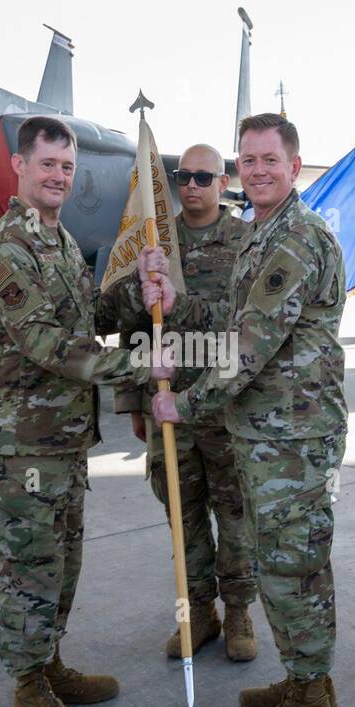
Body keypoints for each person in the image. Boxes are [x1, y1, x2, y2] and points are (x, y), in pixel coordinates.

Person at [0, 115, 171, 707]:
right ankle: (28, 692)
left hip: (63, 441)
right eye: (47, 165)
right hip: (21, 446)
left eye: (66, 167)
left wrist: (138, 288)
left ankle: (48, 665)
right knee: (30, 569)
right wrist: (138, 363)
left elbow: (90, 315)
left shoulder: (58, 242)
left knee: (63, 563)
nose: (59, 176)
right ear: (18, 167)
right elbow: (49, 344)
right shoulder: (6, 251)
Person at [149, 113, 347, 707]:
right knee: (282, 562)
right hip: (266, 435)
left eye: (270, 159)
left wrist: (186, 401)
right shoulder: (263, 235)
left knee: (294, 567)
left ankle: (310, 699)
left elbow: (247, 347)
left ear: (295, 165)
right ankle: (304, 682)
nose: (258, 170)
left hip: (291, 437)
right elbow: (235, 316)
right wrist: (181, 306)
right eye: (249, 160)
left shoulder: (294, 239)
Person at [114, 143, 258, 663]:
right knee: (182, 512)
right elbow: (127, 327)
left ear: (223, 182)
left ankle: (239, 609)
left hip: (224, 404)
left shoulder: (245, 241)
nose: (192, 185)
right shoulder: (155, 241)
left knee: (235, 510)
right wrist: (133, 401)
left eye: (203, 176)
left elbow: (249, 323)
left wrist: (185, 306)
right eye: (183, 176)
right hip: (167, 404)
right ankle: (199, 614)